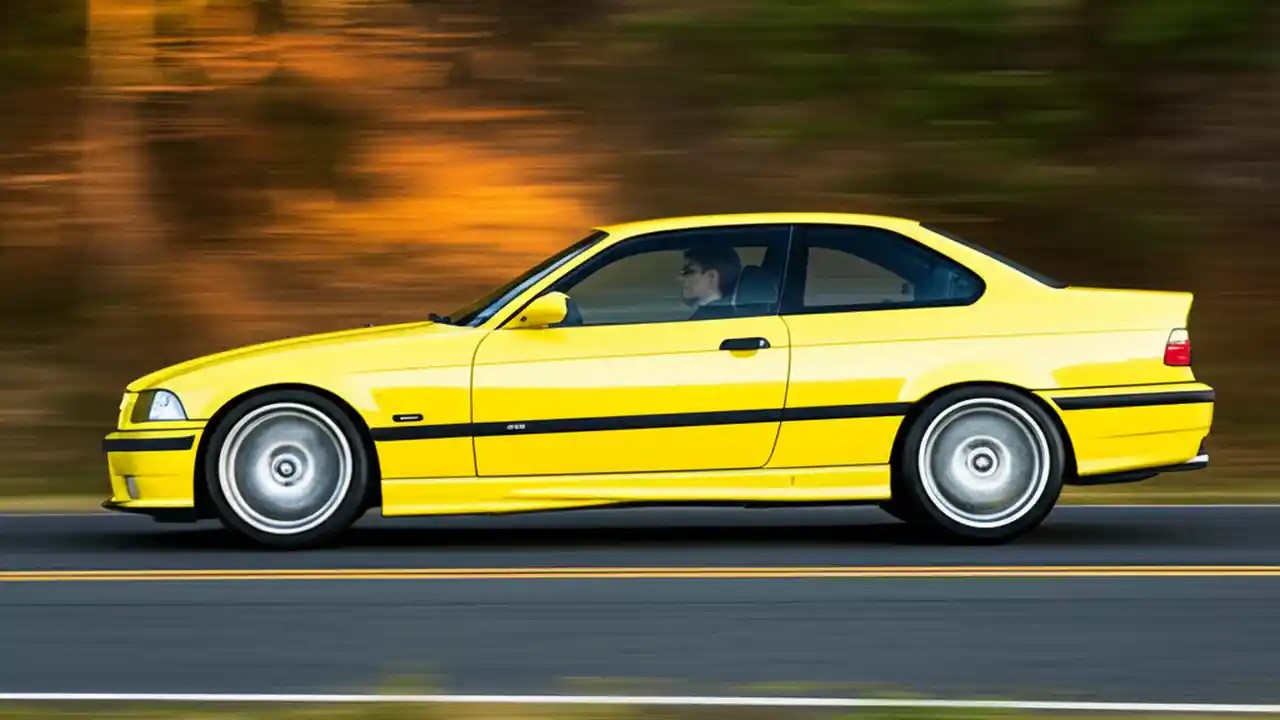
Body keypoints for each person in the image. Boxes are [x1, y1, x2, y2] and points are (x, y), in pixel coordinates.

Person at [679, 244, 741, 320]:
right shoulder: (741, 315)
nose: (680, 278)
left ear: (712, 276)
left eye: (687, 272)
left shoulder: (703, 320)